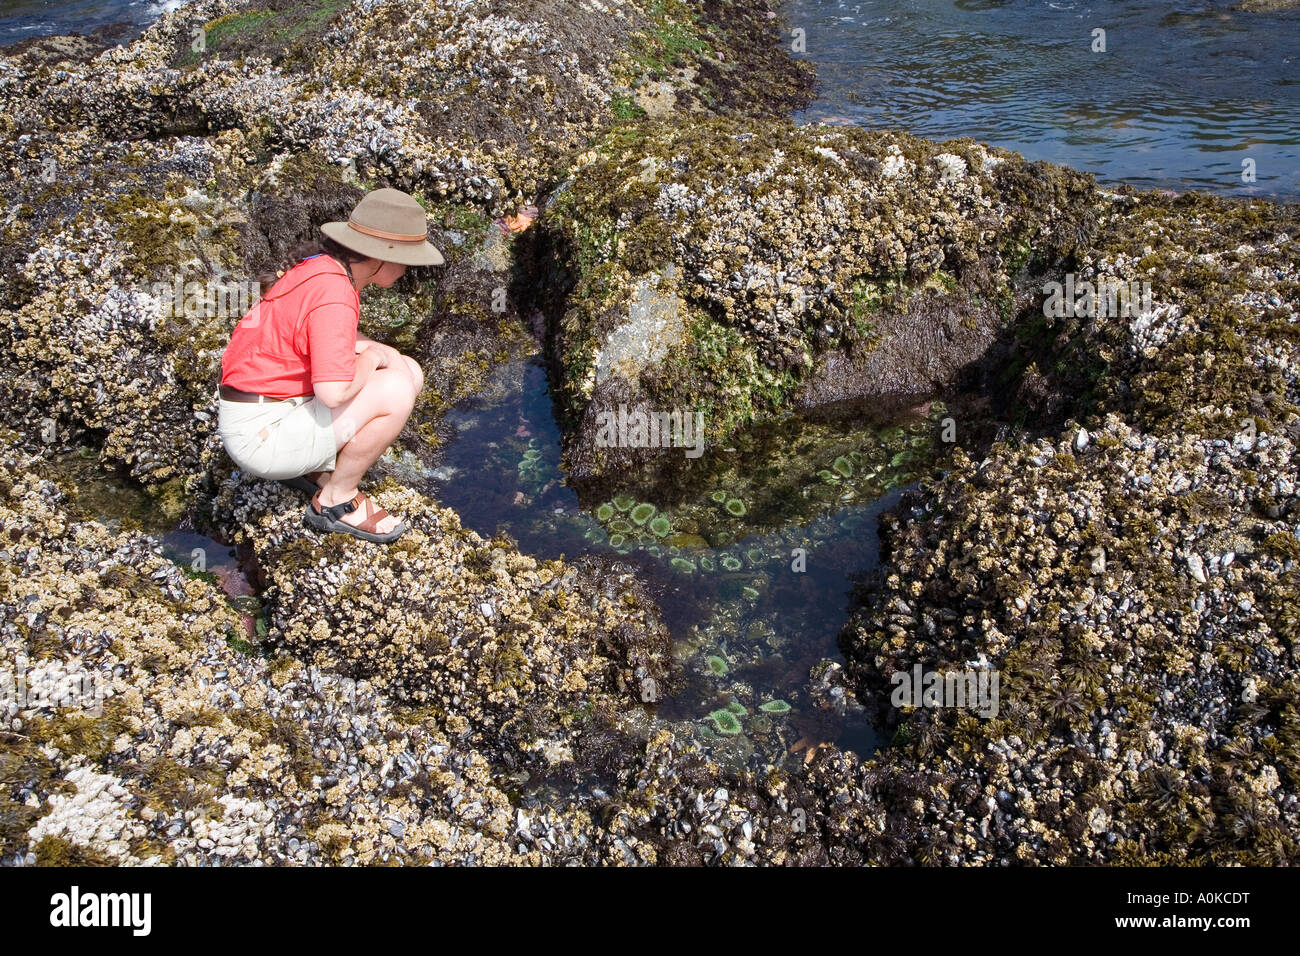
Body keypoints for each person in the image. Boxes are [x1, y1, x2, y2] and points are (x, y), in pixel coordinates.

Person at [216, 188, 444, 544]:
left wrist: (383, 352)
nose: (407, 269)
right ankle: (336, 498)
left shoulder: (322, 270)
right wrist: (372, 358)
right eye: (405, 259)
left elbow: (322, 334)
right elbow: (333, 393)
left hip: (260, 411)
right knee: (397, 389)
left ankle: (314, 466)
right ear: (378, 256)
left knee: (408, 371)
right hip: (262, 438)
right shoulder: (336, 295)